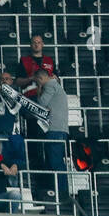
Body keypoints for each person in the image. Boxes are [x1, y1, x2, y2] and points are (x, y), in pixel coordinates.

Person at [34, 68, 70, 202]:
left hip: (54, 129)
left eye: (37, 81)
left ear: (40, 79)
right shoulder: (56, 85)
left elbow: (41, 103)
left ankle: (61, 193)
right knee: (55, 161)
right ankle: (60, 192)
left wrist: (39, 89)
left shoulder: (49, 86)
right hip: (60, 129)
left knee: (55, 162)